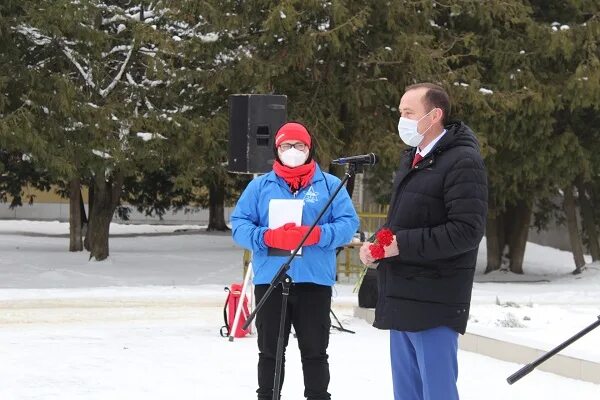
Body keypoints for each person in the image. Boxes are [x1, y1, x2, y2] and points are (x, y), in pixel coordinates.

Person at [359, 83, 488, 400]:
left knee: (437, 392)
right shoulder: (412, 158)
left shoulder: (463, 162)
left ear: (435, 116)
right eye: (400, 112)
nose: (401, 120)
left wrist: (400, 245)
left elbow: (466, 231)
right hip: (402, 295)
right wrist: (377, 244)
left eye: (408, 113)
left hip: (435, 299)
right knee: (407, 393)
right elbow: (400, 222)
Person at [231, 121, 359, 400]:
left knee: (315, 351)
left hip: (314, 281)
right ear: (277, 149)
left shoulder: (330, 185)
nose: (292, 150)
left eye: (299, 145)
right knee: (270, 353)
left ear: (309, 147)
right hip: (271, 280)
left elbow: (349, 224)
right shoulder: (259, 187)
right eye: (286, 145)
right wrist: (267, 237)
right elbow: (238, 224)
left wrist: (316, 235)